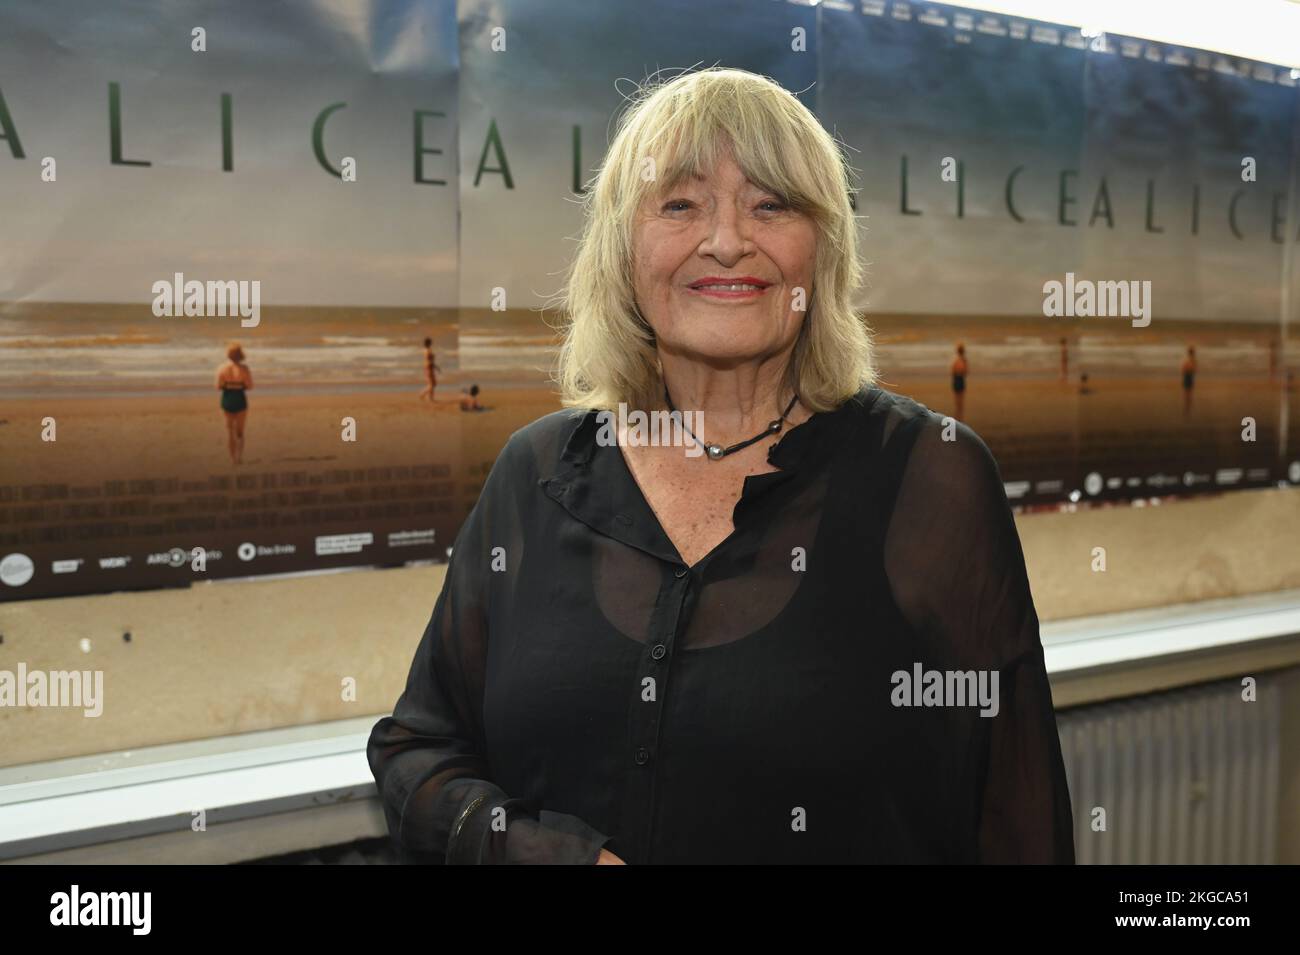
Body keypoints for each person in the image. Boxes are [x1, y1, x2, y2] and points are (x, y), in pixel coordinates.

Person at [368, 67, 1075, 865]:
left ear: (823, 249)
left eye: (771, 204)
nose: (729, 239)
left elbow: (1017, 814)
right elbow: (416, 751)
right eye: (679, 204)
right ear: (624, 252)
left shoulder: (932, 478)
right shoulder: (535, 474)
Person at [215, 342, 253, 465]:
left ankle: (232, 459)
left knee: (230, 431)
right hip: (239, 397)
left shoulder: (222, 368)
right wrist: (239, 385)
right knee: (240, 431)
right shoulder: (244, 369)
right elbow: (250, 386)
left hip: (227, 398)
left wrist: (228, 385)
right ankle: (239, 457)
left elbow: (218, 386)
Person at [419, 337, 442, 402]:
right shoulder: (428, 351)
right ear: (428, 343)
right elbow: (429, 360)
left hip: (429, 367)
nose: (431, 343)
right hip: (429, 367)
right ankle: (422, 394)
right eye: (430, 342)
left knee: (433, 383)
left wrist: (435, 367)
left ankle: (430, 398)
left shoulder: (427, 350)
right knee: (432, 384)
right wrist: (436, 367)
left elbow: (430, 360)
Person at [950, 342, 968, 420]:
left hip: (956, 379)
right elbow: (966, 371)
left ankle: (957, 417)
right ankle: (960, 417)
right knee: (961, 401)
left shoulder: (955, 360)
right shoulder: (964, 360)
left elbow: (952, 371)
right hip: (961, 379)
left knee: (957, 401)